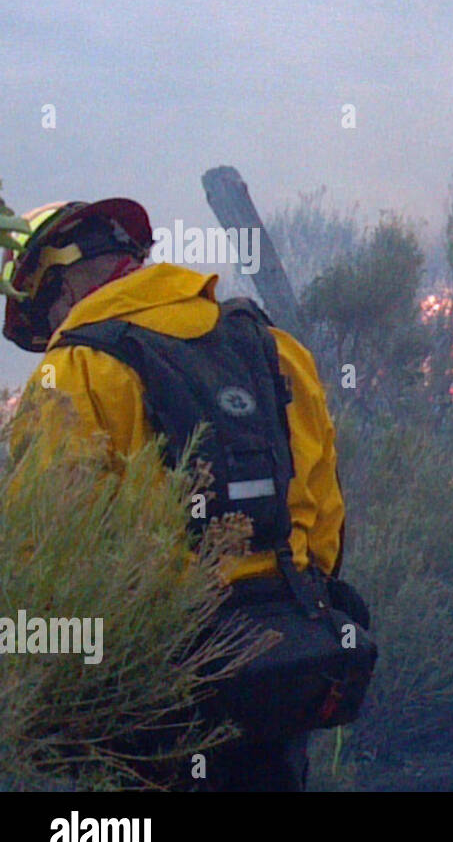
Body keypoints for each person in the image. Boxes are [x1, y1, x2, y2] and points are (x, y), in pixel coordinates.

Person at [1, 198, 370, 790]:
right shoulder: (275, 347)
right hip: (287, 669)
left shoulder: (73, 372)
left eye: (43, 320)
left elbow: (44, 552)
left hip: (151, 693)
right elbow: (324, 526)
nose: (50, 336)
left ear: (59, 286)